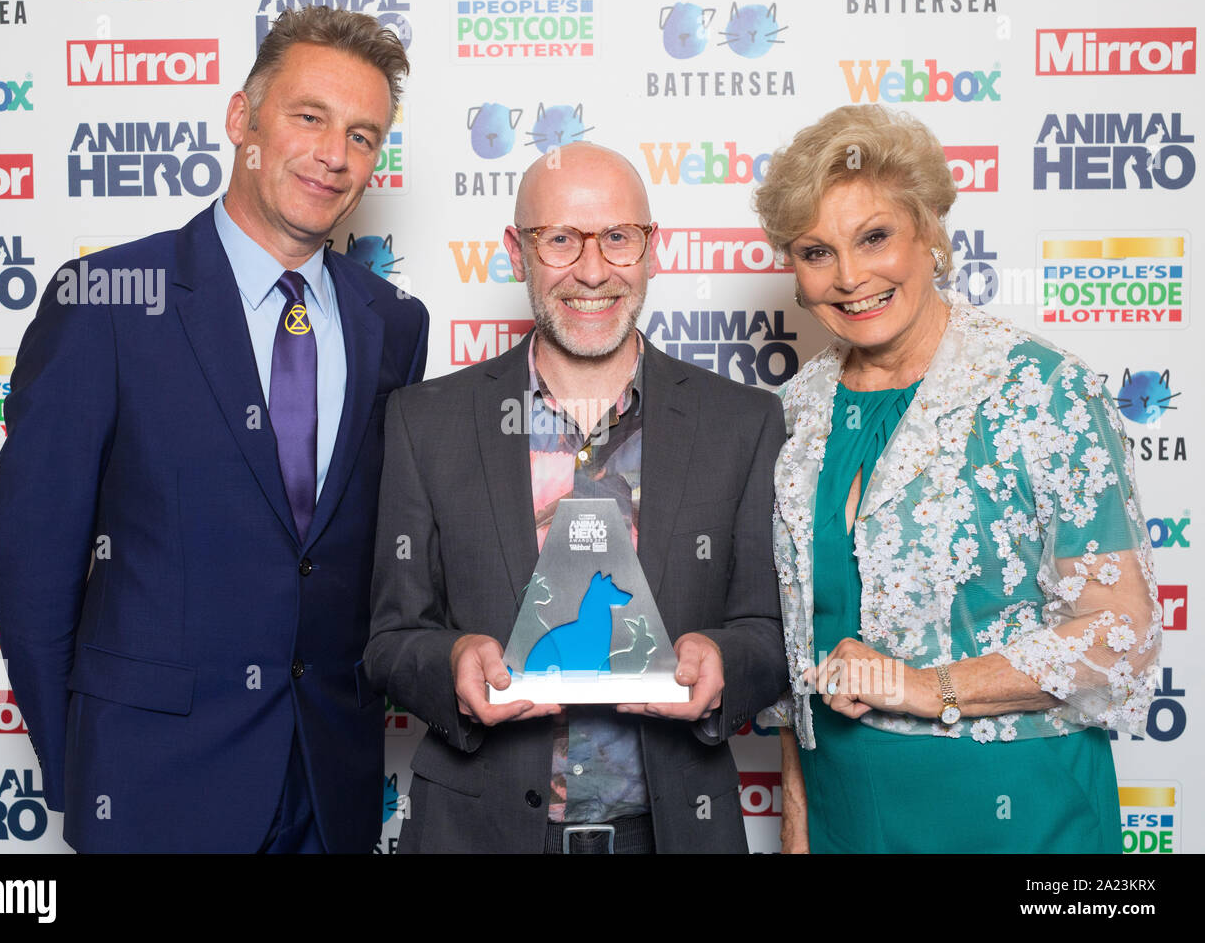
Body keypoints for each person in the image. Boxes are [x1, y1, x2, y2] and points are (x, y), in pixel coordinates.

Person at [0, 7, 428, 853]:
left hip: (329, 787)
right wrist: (83, 762)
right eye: (309, 116)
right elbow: (29, 560)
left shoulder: (393, 322)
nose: (335, 155)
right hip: (151, 791)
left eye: (363, 135)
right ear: (240, 119)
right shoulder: (107, 301)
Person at [754, 105, 1161, 853]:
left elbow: (1118, 635)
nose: (850, 277)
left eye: (874, 237)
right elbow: (795, 649)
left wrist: (928, 685)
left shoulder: (1042, 392)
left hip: (1021, 817)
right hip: (850, 814)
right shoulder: (792, 415)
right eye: (817, 252)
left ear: (931, 234)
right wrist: (799, 823)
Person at [365, 143, 787, 853]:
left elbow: (769, 629)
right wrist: (451, 661)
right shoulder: (424, 421)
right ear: (516, 251)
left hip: (677, 830)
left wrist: (722, 659)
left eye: (618, 237)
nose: (593, 271)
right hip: (477, 831)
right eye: (560, 238)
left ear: (654, 249)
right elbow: (389, 640)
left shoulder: (743, 422)